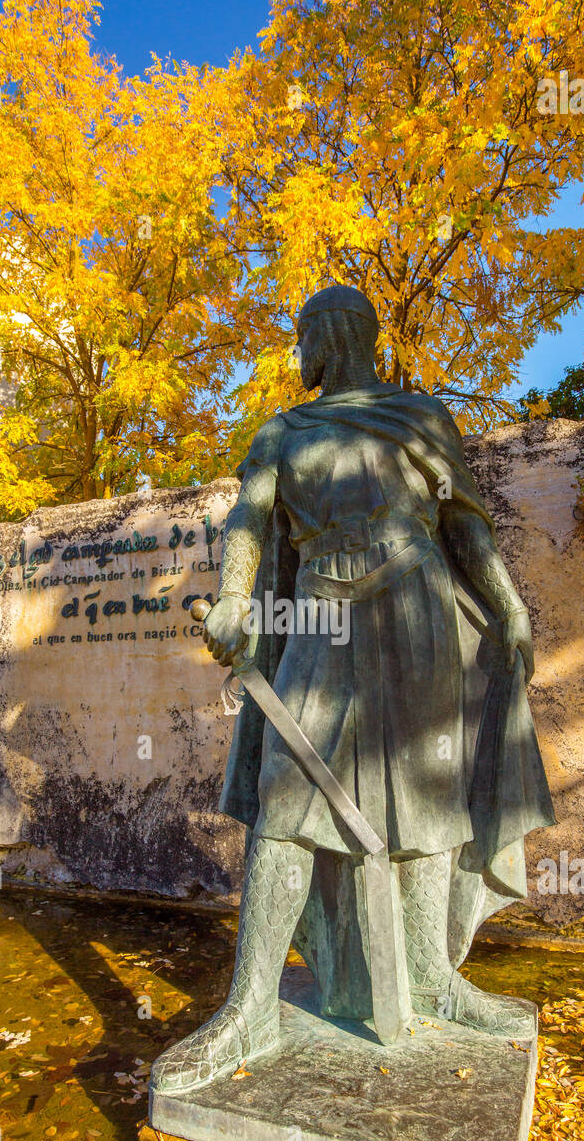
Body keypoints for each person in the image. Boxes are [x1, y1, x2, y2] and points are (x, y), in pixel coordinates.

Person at [151, 285, 554, 1094]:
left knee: (427, 795)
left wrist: (507, 605)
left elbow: (463, 522)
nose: (299, 354)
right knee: (286, 800)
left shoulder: (420, 417)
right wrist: (235, 599)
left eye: (304, 337)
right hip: (322, 617)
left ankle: (434, 978)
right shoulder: (283, 432)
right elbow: (247, 523)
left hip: (417, 610)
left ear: (330, 339)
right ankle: (251, 1005)